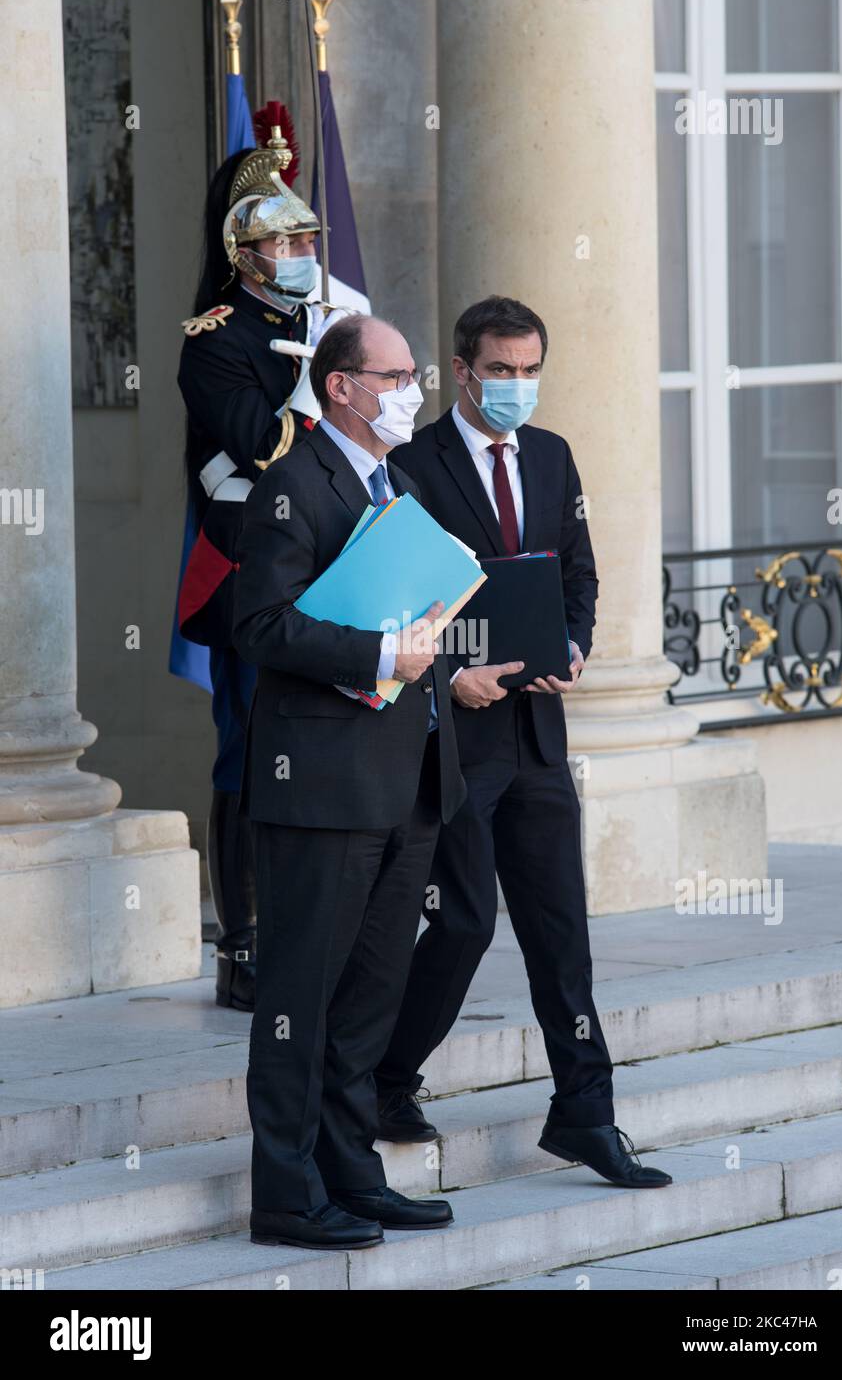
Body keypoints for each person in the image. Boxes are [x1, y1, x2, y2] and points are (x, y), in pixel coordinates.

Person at [375, 296, 672, 1190]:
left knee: (561, 933)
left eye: (529, 370)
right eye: (500, 370)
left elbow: (576, 570)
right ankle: (387, 1079)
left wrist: (573, 643)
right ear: (460, 371)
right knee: (462, 922)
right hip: (456, 739)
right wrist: (447, 674)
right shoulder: (410, 465)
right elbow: (394, 600)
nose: (516, 386)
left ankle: (585, 1113)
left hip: (539, 734)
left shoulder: (551, 456)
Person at [232, 313, 466, 1250]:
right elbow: (259, 628)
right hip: (321, 784)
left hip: (404, 780)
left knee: (368, 995)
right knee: (300, 993)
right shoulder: (292, 485)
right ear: (342, 386)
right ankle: (284, 1193)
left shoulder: (396, 483)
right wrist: (378, 652)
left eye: (412, 373)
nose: (411, 389)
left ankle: (350, 1170)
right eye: (396, 373)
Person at [175, 102, 353, 1012]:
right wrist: (316, 376)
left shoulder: (326, 326)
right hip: (250, 567)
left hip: (327, 561)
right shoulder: (215, 343)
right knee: (248, 752)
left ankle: (314, 926)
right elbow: (264, 446)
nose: (299, 256)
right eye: (281, 246)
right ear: (244, 257)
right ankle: (240, 946)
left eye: (307, 240)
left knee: (322, 743)